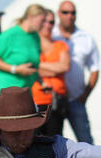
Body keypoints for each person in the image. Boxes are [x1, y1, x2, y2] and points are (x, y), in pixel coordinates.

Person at [55, 1, 100, 145]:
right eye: (65, 12)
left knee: (86, 143)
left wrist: (85, 95)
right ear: (58, 14)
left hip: (76, 100)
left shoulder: (85, 38)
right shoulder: (50, 34)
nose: (70, 16)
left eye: (73, 12)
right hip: (54, 100)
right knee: (53, 144)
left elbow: (95, 68)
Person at [0, 4, 41, 101]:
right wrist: (15, 69)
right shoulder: (10, 35)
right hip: (7, 93)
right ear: (31, 17)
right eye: (42, 21)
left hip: (26, 93)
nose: (44, 24)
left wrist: (41, 82)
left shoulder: (35, 37)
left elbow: (34, 65)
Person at [32, 9, 68, 138]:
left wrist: (39, 67)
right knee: (34, 142)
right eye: (44, 21)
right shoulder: (30, 45)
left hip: (55, 102)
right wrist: (54, 68)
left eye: (51, 22)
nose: (48, 25)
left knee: (54, 142)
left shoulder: (60, 45)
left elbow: (64, 66)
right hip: (35, 101)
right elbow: (29, 69)